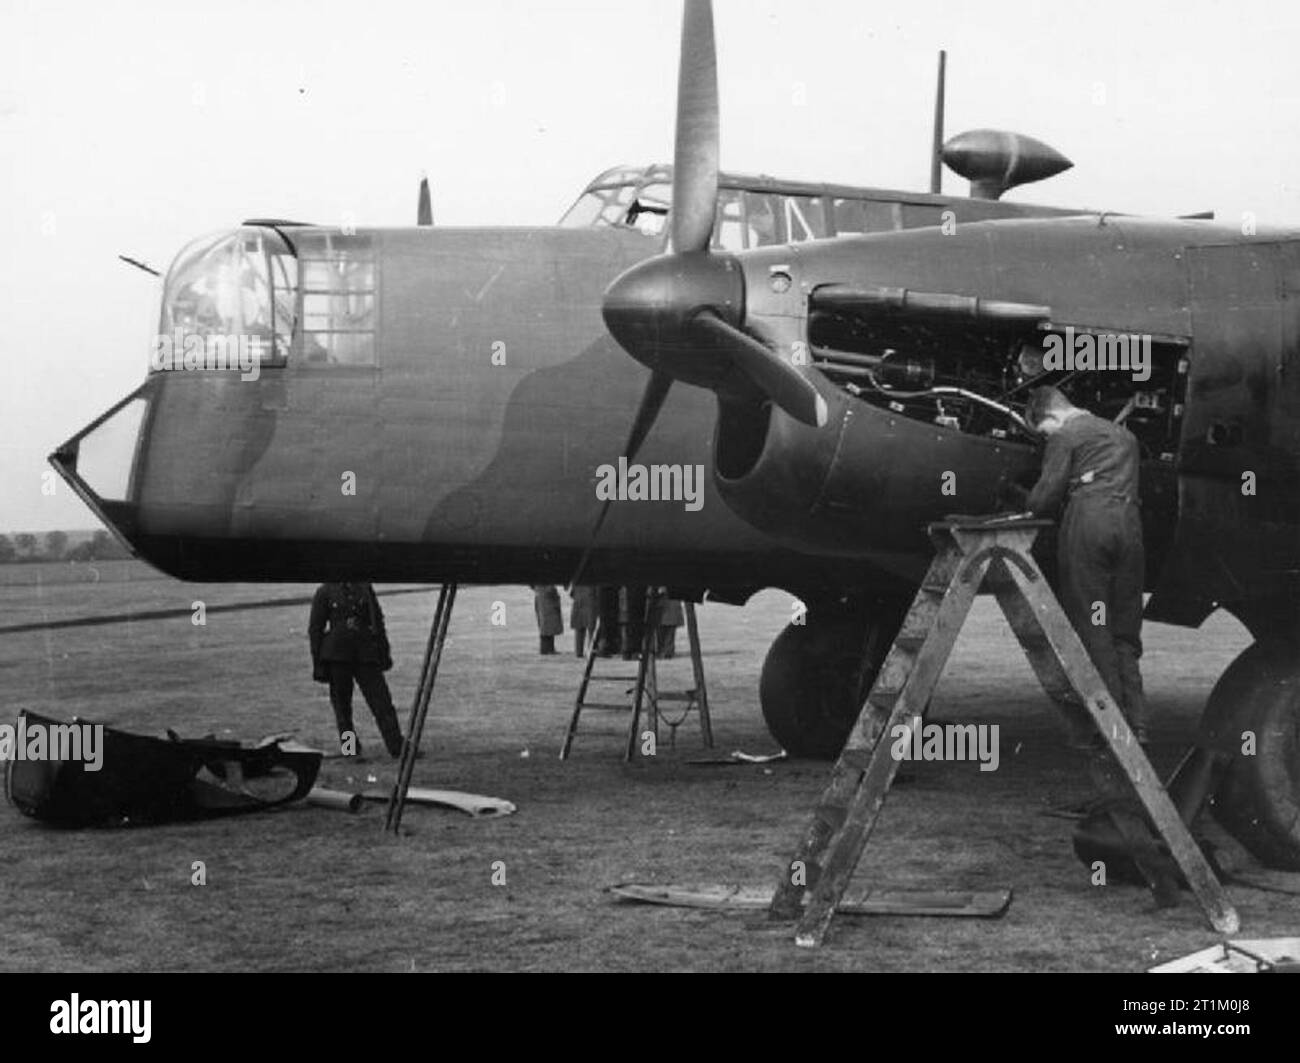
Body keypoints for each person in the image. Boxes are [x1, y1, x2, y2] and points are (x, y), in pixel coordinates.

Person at [1021, 387, 1149, 741]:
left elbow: (1046, 495)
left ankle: (1111, 722)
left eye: (1043, 431)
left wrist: (1023, 506)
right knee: (1124, 627)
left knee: (1092, 621)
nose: (1046, 437)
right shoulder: (1124, 436)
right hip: (1129, 529)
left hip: (1090, 526)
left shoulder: (1065, 435)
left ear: (1050, 416)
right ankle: (1137, 722)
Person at [309, 582, 404, 758]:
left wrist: (383, 653)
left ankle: (397, 747)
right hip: (337, 657)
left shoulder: (365, 588)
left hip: (365, 655)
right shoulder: (325, 591)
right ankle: (350, 749)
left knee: (382, 703)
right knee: (343, 708)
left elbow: (377, 621)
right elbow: (315, 629)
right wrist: (319, 664)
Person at [569, 585, 600, 658]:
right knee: (591, 629)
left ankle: (578, 652)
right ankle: (591, 652)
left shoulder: (577, 578)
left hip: (578, 602)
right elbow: (598, 592)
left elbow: (571, 592)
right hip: (590, 602)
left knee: (579, 629)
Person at [531, 585, 563, 655]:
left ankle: (549, 648)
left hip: (543, 595)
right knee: (546, 625)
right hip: (546, 596)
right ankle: (546, 649)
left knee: (548, 625)